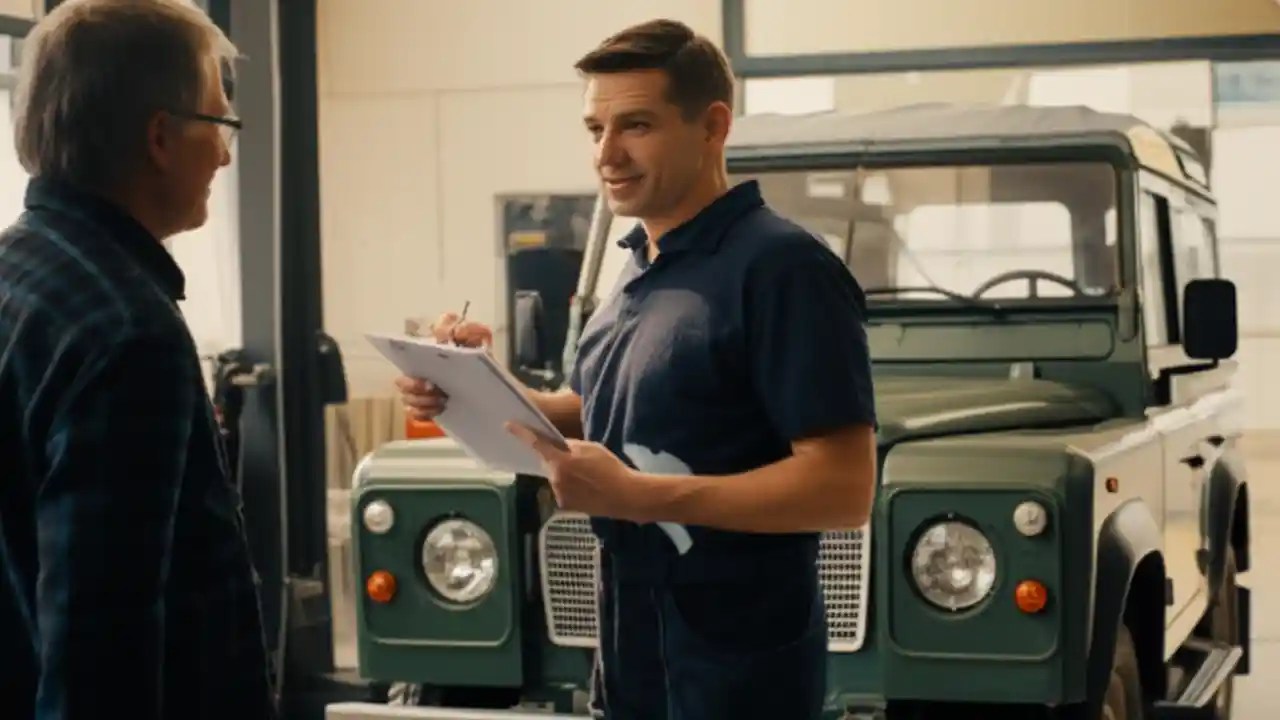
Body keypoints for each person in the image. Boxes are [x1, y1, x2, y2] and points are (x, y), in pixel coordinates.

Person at [396, 18, 877, 720]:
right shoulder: (639, 267)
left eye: (637, 126)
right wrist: (470, 383)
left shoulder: (784, 269)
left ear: (713, 126)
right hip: (629, 650)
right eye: (595, 129)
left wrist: (642, 497)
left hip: (736, 673)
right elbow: (604, 412)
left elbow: (842, 486)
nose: (607, 154)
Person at [0, 1, 275, 718]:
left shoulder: (16, 274)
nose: (224, 153)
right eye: (220, 124)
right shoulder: (128, 335)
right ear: (160, 137)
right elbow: (100, 650)